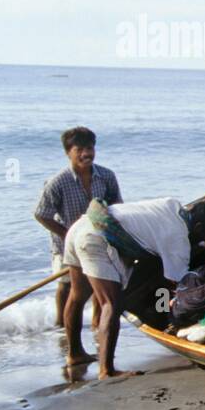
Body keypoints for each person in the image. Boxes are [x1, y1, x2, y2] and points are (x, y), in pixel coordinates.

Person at [62, 199, 205, 377]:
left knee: (77, 296)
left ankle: (75, 354)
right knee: (111, 304)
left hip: (81, 225)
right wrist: (165, 310)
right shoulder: (178, 239)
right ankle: (107, 370)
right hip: (97, 237)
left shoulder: (173, 205)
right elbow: (175, 283)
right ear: (199, 228)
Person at [34, 127, 122, 338]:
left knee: (98, 280)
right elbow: (41, 214)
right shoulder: (57, 182)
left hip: (98, 241)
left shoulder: (106, 176)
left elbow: (117, 206)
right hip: (66, 244)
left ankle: (96, 325)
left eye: (90, 148)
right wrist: (68, 234)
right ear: (68, 152)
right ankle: (62, 328)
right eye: (79, 149)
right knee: (67, 286)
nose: (86, 154)